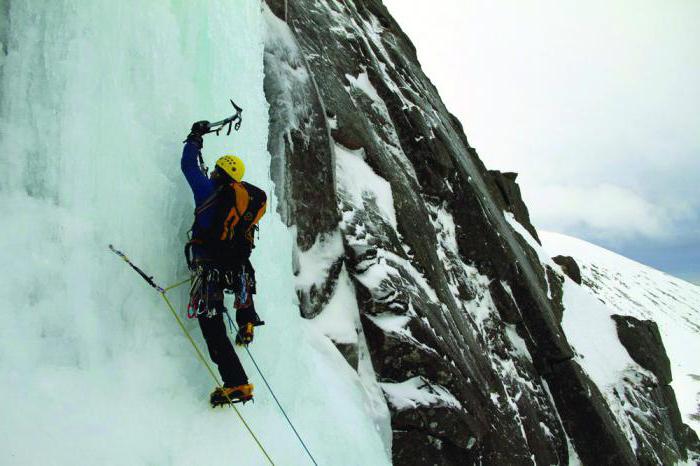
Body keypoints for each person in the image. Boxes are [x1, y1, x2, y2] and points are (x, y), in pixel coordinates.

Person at [181, 120, 267, 406]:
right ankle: (247, 323)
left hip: (209, 268)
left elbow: (189, 167)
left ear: (218, 173)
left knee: (213, 325)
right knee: (243, 272)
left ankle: (237, 383)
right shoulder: (243, 206)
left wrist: (195, 138)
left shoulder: (210, 192)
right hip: (233, 268)